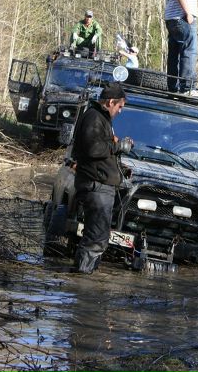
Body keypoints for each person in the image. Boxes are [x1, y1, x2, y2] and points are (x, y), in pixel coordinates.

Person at [72, 82, 133, 274]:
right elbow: (93, 149)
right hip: (96, 187)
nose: (120, 111)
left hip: (99, 186)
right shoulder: (94, 117)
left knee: (97, 235)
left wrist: (119, 164)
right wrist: (118, 146)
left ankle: (84, 274)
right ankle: (82, 280)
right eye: (120, 106)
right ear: (111, 102)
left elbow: (100, 150)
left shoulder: (100, 118)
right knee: (96, 238)